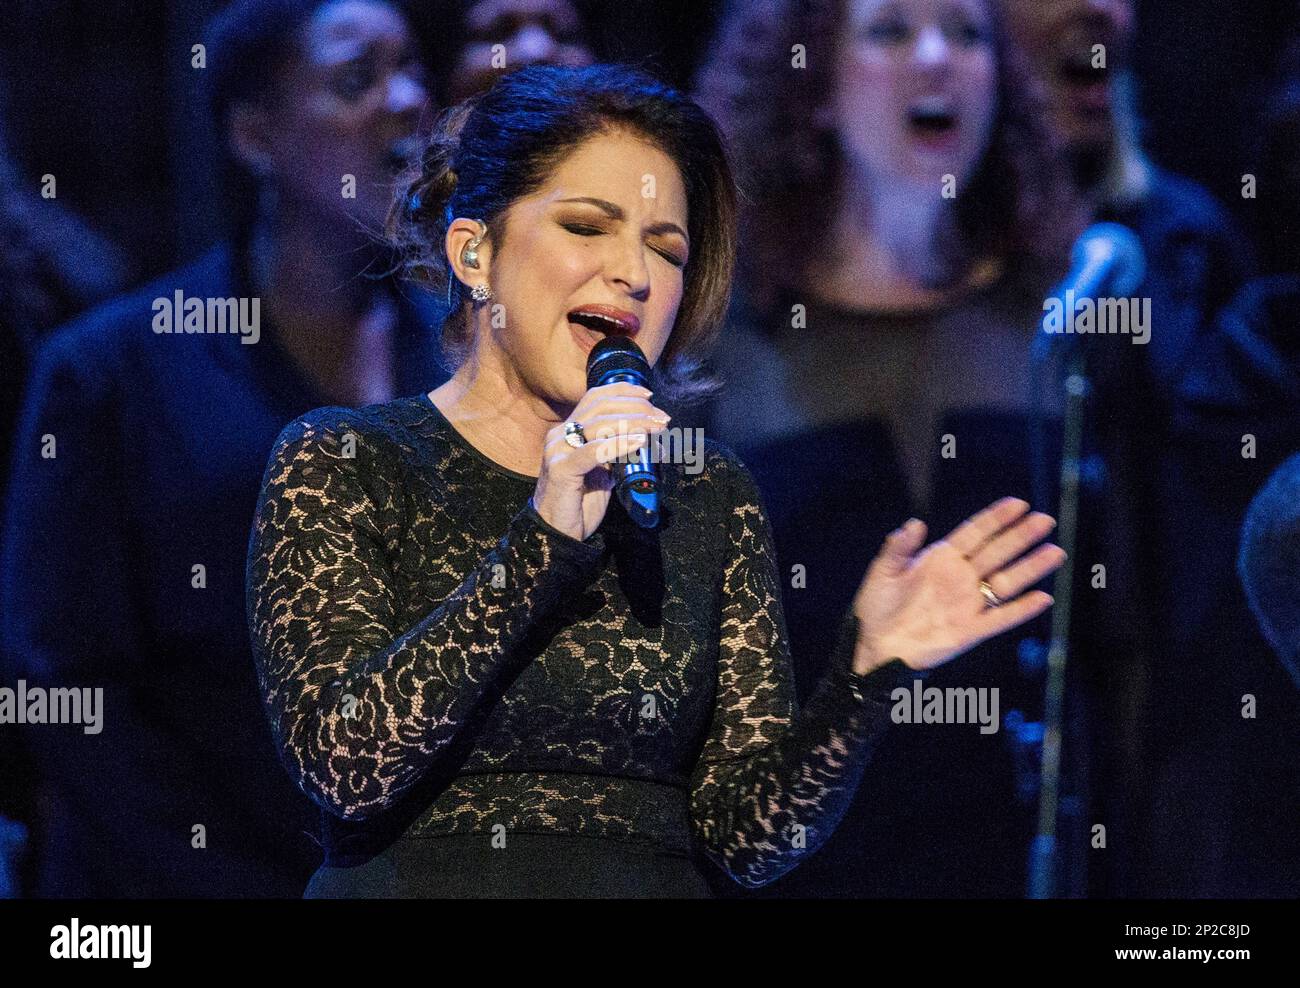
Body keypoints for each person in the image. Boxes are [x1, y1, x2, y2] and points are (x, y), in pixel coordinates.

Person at [244, 62, 1067, 898]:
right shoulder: (345, 460)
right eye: (587, 226)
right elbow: (346, 765)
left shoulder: (705, 494)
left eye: (665, 247)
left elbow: (746, 838)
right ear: (476, 251)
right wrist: (545, 538)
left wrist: (866, 670)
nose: (633, 274)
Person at [0, 0, 444, 897]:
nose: (404, 101)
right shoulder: (112, 369)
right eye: (359, 78)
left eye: (412, 72)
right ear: (254, 135)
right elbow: (64, 687)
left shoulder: (469, 352)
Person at [692, 0, 1079, 895]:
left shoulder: (1057, 319)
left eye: (969, 33)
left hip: (1021, 859)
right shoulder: (724, 339)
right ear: (813, 87)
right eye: (891, 30)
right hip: (799, 861)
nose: (938, 58)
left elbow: (1125, 644)